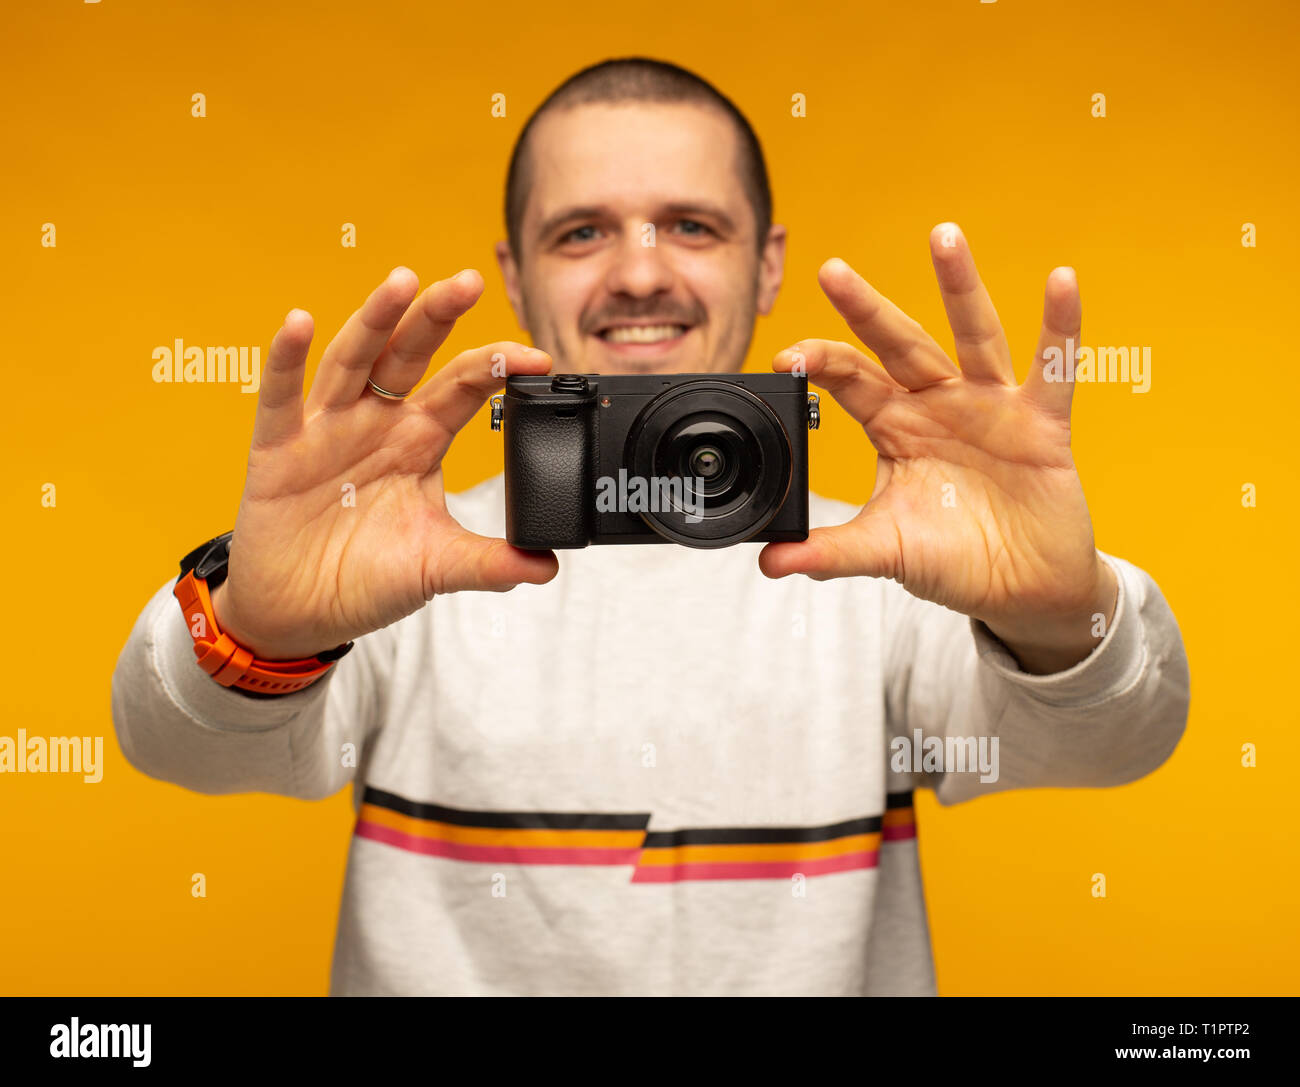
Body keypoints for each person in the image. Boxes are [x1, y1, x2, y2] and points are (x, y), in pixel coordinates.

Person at [111, 57, 1190, 996]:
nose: (637, 272)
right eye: (580, 232)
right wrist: (256, 624)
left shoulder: (889, 566)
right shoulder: (404, 565)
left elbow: (1111, 742)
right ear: (514, 275)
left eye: (690, 225)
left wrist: (1065, 613)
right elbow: (179, 749)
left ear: (764, 264)